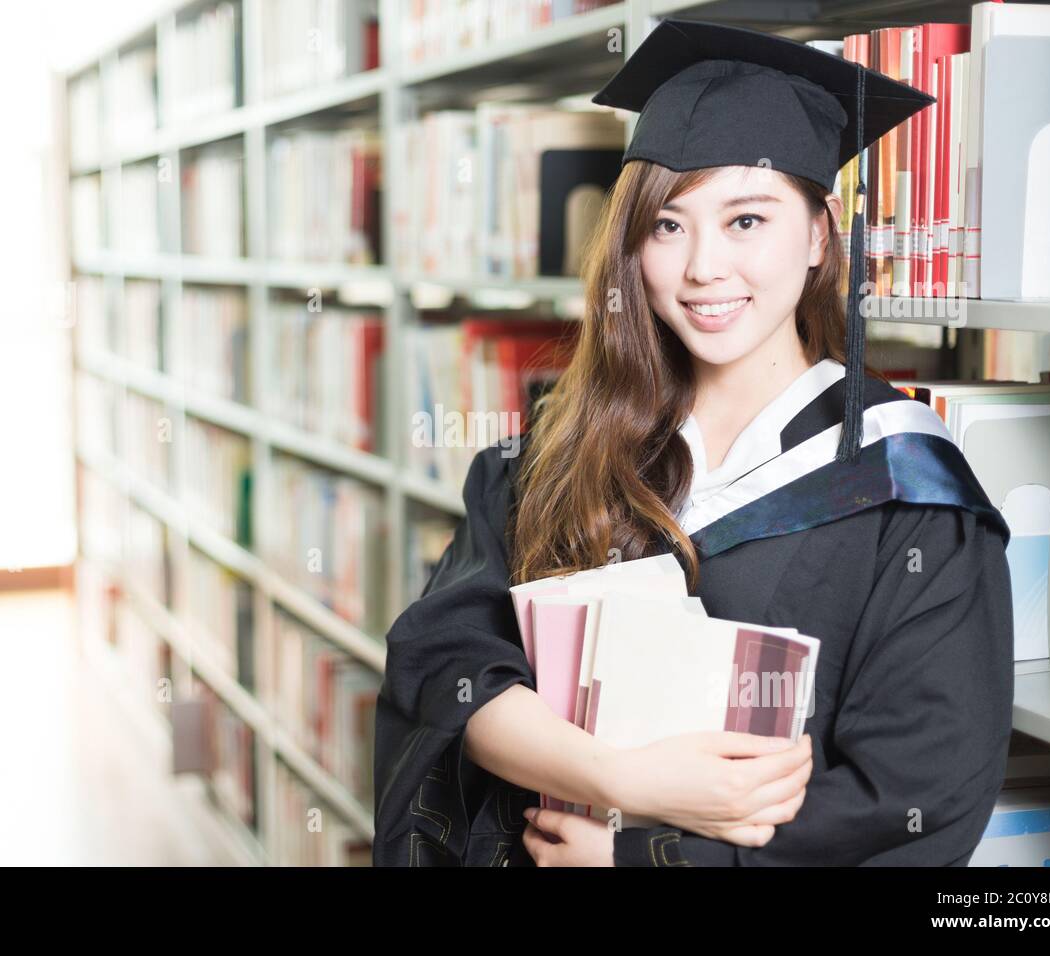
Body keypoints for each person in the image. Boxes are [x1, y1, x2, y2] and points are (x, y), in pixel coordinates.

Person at [372, 18, 1014, 867]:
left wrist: (635, 858)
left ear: (821, 235)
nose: (704, 267)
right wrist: (620, 778)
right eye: (668, 226)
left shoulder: (913, 498)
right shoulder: (567, 442)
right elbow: (446, 664)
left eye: (746, 220)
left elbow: (915, 804)